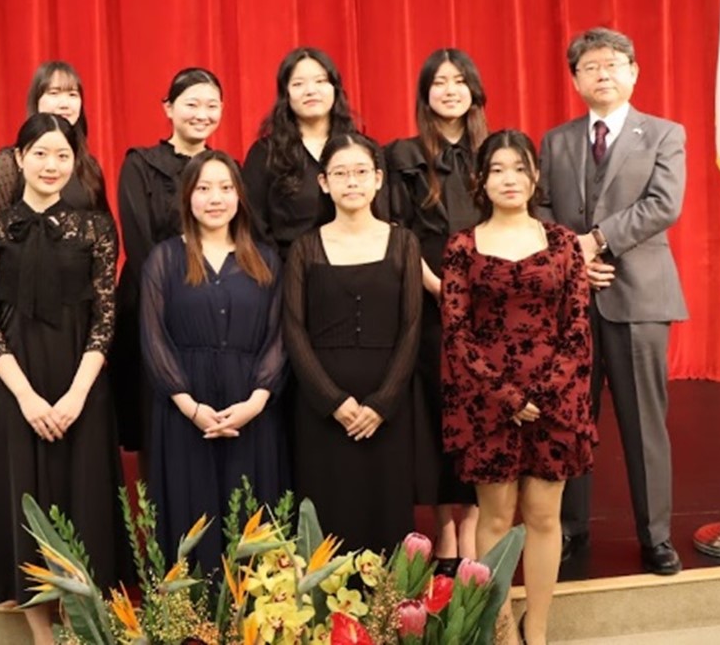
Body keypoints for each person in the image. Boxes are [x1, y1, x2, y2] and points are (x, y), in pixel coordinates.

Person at [537, 27, 687, 577]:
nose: (603, 73)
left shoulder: (664, 134)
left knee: (645, 423)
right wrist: (572, 259)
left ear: (634, 72)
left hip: (639, 297)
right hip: (569, 301)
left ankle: (656, 536)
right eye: (590, 66)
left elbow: (663, 204)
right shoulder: (554, 140)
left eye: (613, 63)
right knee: (569, 419)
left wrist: (596, 242)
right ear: (575, 79)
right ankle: (571, 529)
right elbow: (543, 208)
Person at [0, 114, 122, 645]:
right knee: (22, 505)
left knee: (85, 506)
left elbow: (106, 317)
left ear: (74, 162)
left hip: (82, 388)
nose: (51, 165)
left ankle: (84, 627)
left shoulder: (96, 227)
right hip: (17, 390)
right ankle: (42, 633)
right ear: (19, 159)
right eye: (40, 154)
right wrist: (29, 398)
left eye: (62, 155)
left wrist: (77, 395)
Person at [440, 129, 594, 645]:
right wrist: (506, 396)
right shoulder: (462, 246)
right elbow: (456, 333)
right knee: (497, 515)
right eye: (498, 170)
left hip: (555, 400)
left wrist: (543, 394)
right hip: (488, 403)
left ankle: (541, 627)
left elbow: (576, 328)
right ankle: (500, 627)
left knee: (545, 516)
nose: (511, 179)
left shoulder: (564, 243)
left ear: (535, 176)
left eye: (520, 168)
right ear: (480, 181)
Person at [140, 150, 288, 570]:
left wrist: (255, 403)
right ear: (187, 196)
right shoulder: (164, 259)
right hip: (185, 409)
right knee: (192, 521)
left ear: (240, 196)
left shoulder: (266, 260)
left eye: (225, 188)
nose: (215, 198)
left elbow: (279, 337)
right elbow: (153, 339)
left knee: (252, 524)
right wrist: (191, 407)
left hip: (252, 410)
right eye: (203, 188)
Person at [282, 133, 425, 552]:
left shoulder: (403, 242)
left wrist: (382, 403)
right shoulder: (305, 248)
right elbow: (294, 329)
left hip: (388, 408)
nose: (352, 182)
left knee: (387, 515)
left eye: (361, 172)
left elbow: (412, 326)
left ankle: (389, 615)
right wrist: (333, 402)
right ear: (323, 183)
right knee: (327, 523)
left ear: (378, 179)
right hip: (322, 410)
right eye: (340, 174)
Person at [384, 48, 487, 564]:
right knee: (436, 417)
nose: (449, 89)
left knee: (478, 416)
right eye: (439, 82)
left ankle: (472, 526)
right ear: (425, 94)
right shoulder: (400, 155)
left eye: (459, 80)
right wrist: (437, 287)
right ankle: (443, 528)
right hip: (427, 304)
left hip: (488, 306)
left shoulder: (494, 152)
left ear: (474, 90)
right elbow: (396, 232)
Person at [113, 67, 226, 453]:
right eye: (191, 103)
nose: (202, 113)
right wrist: (173, 303)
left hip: (214, 307)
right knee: (155, 426)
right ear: (168, 108)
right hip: (150, 303)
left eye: (212, 105)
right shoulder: (140, 164)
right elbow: (139, 242)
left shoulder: (225, 169)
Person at [243, 47, 360, 261]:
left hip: (356, 268)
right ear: (285, 94)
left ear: (335, 88)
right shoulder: (264, 154)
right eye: (298, 84)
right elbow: (255, 227)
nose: (310, 91)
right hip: (288, 275)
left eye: (320, 81)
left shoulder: (360, 149)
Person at [0, 61, 107, 213]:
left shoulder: (90, 167)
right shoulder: (9, 162)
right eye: (54, 93)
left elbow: (104, 228)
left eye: (72, 94)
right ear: (36, 101)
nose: (65, 104)